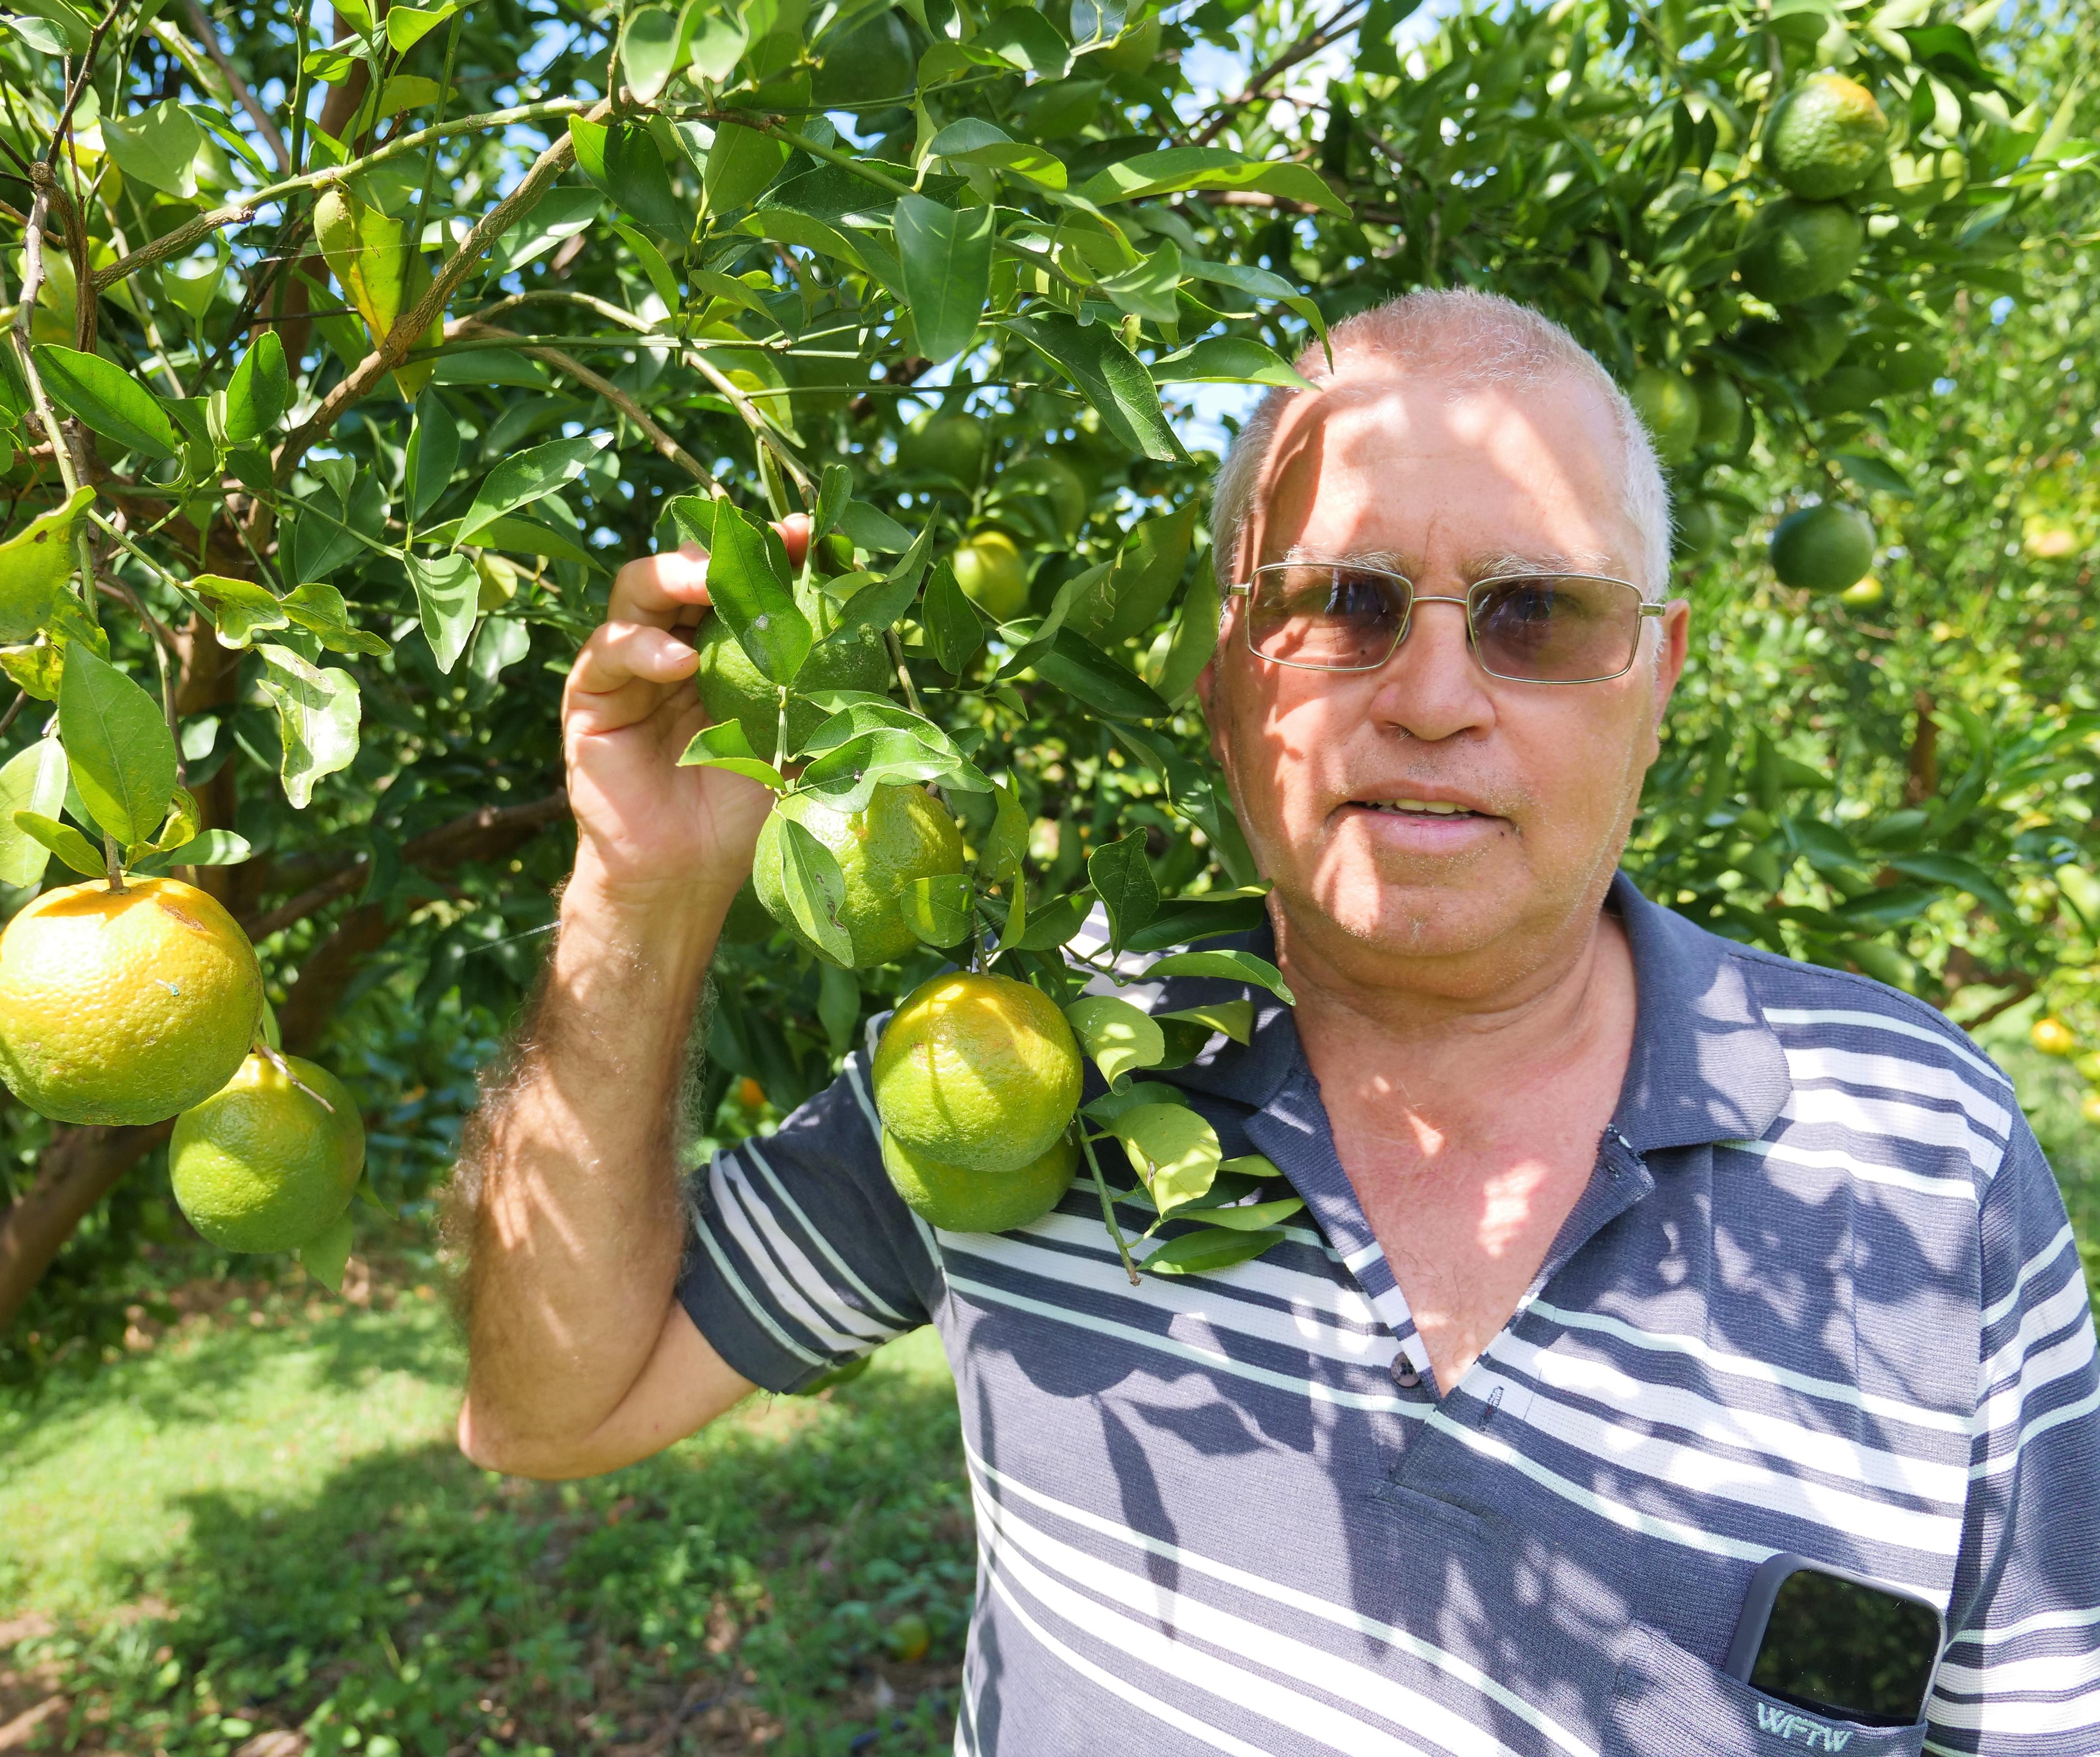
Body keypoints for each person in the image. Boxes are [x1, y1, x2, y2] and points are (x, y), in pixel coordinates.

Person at [452, 289, 2100, 1755]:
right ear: (1226, 672)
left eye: (1539, 614)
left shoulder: (1923, 1161)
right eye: (1343, 601)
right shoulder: (1050, 1050)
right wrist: (640, 896)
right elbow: (550, 1408)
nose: (1436, 696)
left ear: (1658, 677)